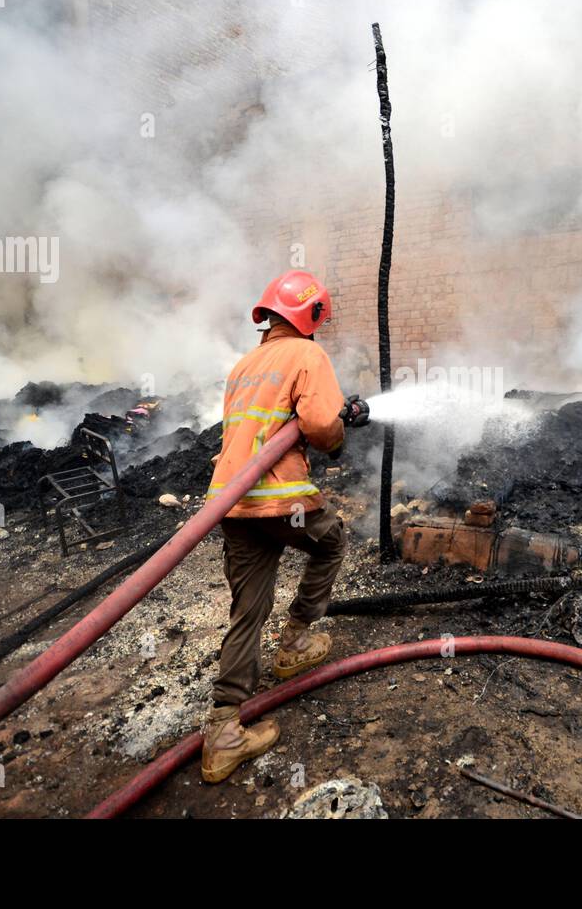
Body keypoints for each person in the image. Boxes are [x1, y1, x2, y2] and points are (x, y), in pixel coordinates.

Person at [201, 269, 369, 784]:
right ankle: (295, 639)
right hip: (280, 499)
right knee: (332, 542)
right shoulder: (307, 354)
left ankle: (223, 731)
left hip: (229, 504)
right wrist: (342, 431)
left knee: (247, 611)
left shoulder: (244, 365)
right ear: (311, 316)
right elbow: (319, 425)